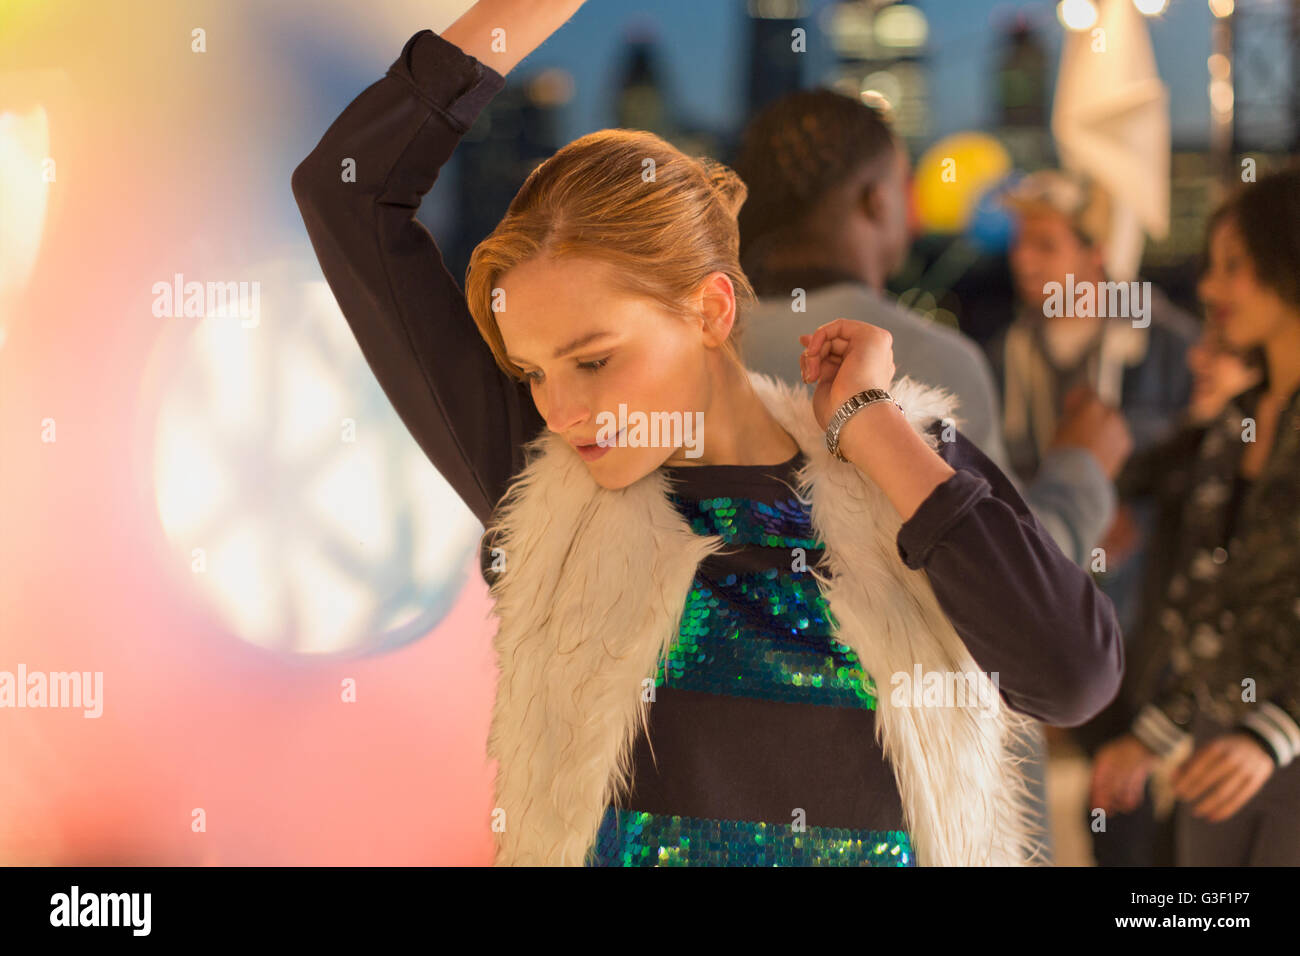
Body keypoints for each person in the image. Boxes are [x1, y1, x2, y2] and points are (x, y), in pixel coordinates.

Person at [291, 0, 1122, 866]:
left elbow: (1072, 676)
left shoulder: (902, 461)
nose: (561, 410)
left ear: (711, 308)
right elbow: (347, 189)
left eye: (594, 359)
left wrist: (871, 427)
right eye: (534, 372)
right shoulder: (541, 486)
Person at [731, 88, 1131, 863]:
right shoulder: (931, 360)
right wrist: (1084, 470)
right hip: (923, 805)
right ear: (878, 200)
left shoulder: (699, 362)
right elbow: (1007, 587)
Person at [1089, 165, 1300, 866]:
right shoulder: (1234, 423)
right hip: (1219, 753)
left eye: (1234, 267)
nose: (1210, 288)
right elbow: (1209, 600)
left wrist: (1278, 730)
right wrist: (1155, 732)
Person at [1074, 325, 1263, 866]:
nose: (1197, 356)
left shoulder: (1264, 476)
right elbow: (1125, 483)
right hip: (1158, 690)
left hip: (1225, 723)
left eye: (1224, 347)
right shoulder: (1200, 446)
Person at [989, 170, 1199, 641]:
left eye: (1046, 245)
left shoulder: (1168, 344)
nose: (1024, 259)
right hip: (1050, 607)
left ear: (1097, 252)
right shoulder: (1006, 357)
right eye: (1021, 243)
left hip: (1150, 611)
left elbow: (1202, 457)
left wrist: (1136, 506)